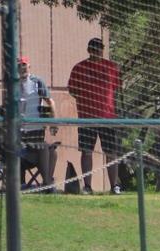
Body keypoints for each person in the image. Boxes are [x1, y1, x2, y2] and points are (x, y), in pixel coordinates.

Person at [65, 36, 121, 194]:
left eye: (100, 48)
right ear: (89, 50)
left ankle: (114, 186)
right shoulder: (79, 67)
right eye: (95, 48)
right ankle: (87, 186)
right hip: (87, 117)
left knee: (110, 152)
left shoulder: (111, 67)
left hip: (107, 117)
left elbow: (116, 88)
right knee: (86, 151)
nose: (98, 51)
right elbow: (73, 90)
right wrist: (86, 101)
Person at [14, 55, 58, 191]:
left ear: (29, 66)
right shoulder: (13, 84)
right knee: (43, 149)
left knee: (51, 151)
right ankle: (46, 184)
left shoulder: (37, 82)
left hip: (36, 130)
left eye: (24, 65)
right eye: (20, 65)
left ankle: (47, 182)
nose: (22, 68)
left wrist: (53, 122)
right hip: (19, 132)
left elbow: (50, 102)